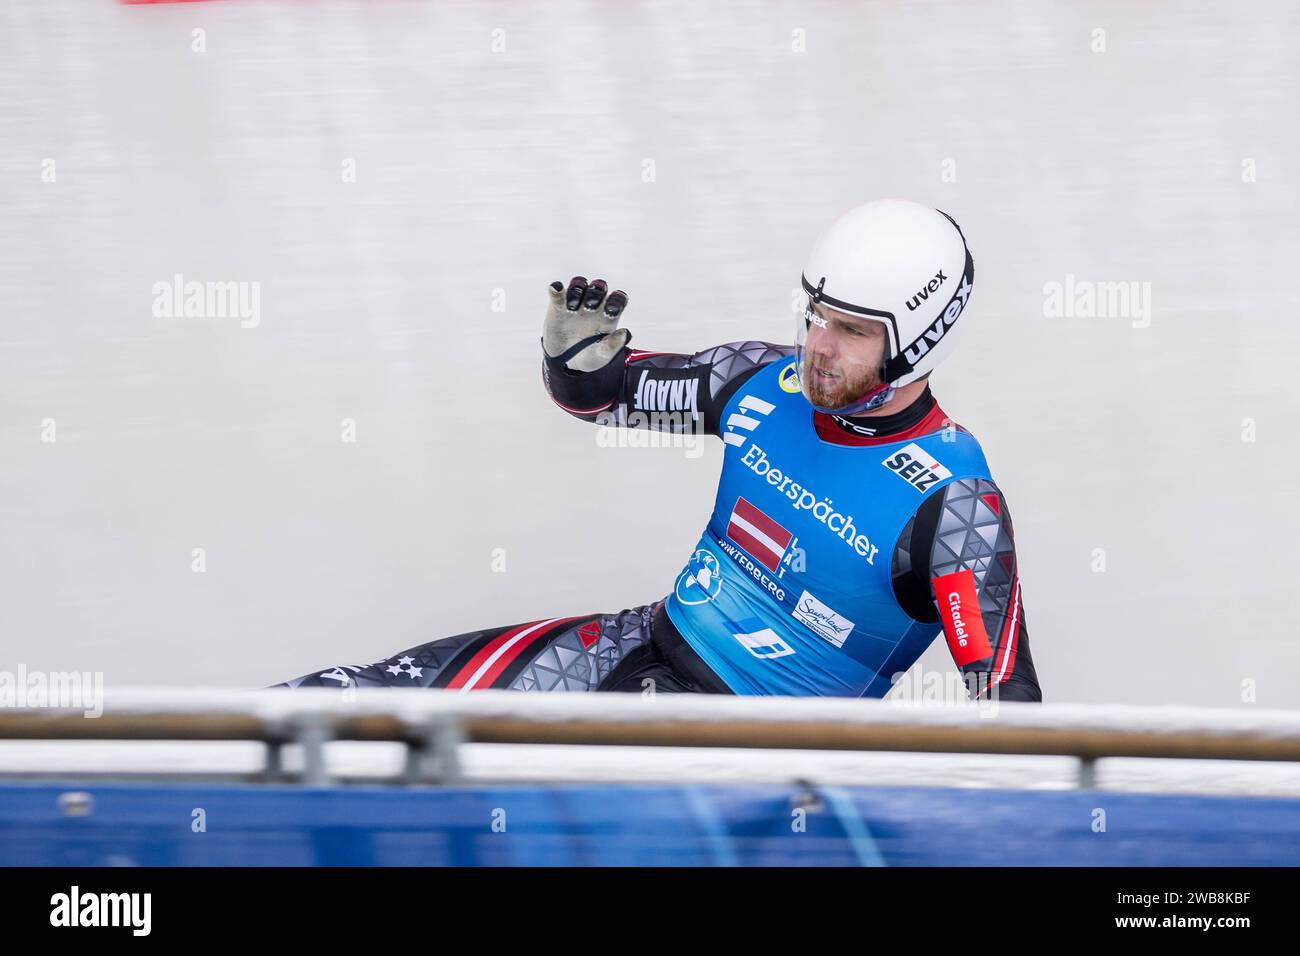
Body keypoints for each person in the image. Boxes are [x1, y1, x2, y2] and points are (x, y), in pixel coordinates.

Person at [276, 199, 1041, 702]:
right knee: (349, 704)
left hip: (755, 748)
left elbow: (1009, 716)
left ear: (919, 344)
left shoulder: (956, 506)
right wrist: (576, 366)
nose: (817, 346)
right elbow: (605, 397)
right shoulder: (759, 380)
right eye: (815, 314)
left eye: (851, 330)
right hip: (637, 646)